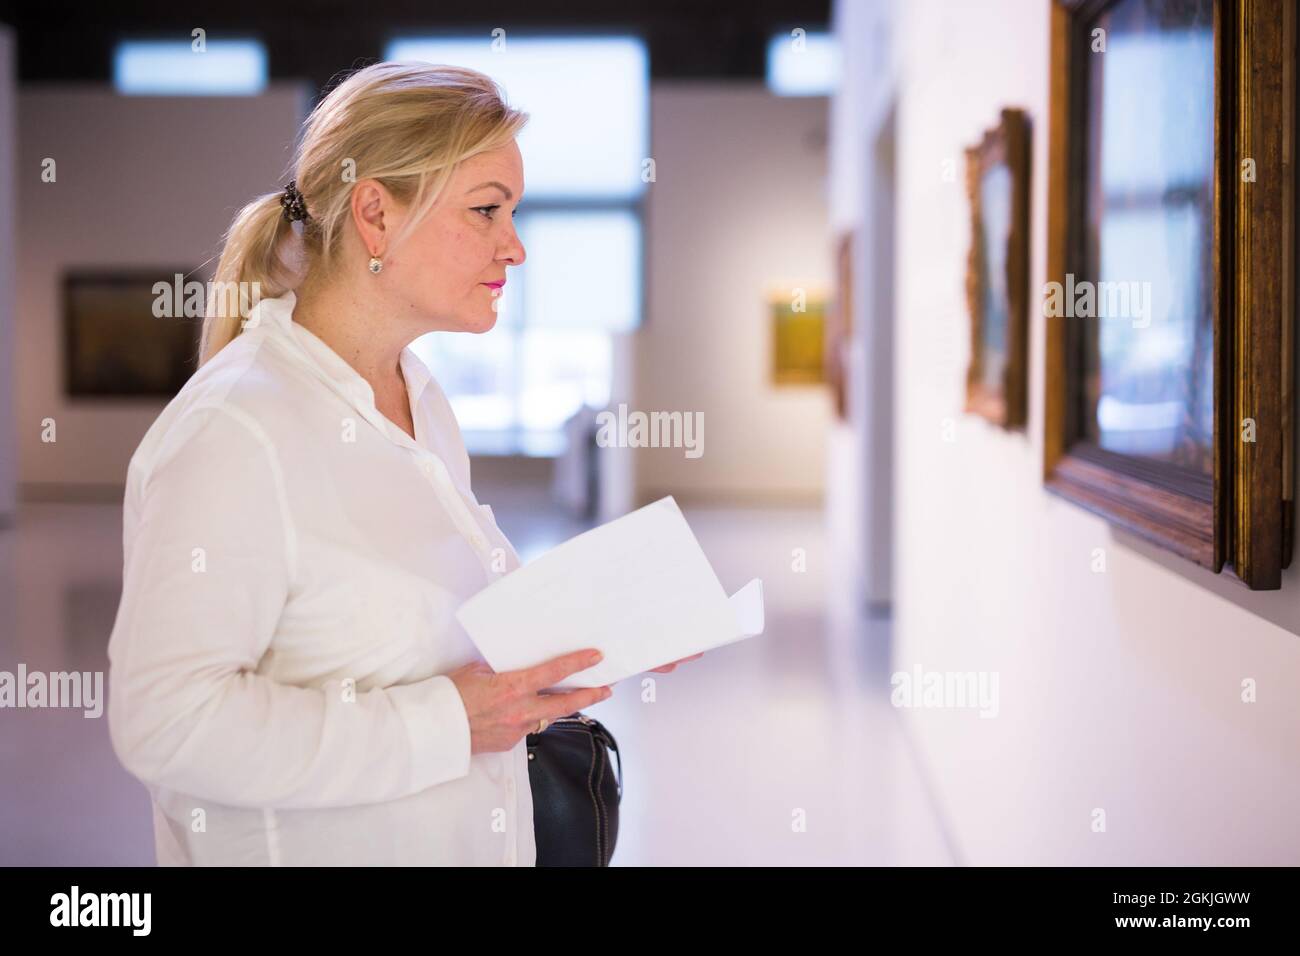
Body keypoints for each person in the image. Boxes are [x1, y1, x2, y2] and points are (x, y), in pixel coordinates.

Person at [106, 61, 698, 867]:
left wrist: (601, 627)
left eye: (512, 212)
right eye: (486, 210)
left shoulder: (419, 398)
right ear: (376, 214)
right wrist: (446, 724)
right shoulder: (234, 433)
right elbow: (167, 723)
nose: (515, 246)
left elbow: (427, 623)